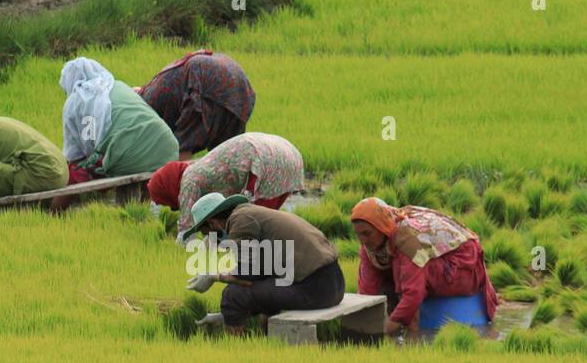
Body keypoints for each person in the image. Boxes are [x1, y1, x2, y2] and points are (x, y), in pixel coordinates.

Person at [181, 193, 344, 335]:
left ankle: (235, 357)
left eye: (206, 233)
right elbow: (261, 274)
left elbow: (248, 275)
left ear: (213, 223)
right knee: (263, 284)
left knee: (233, 295)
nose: (211, 240)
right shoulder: (250, 213)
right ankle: (266, 341)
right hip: (333, 283)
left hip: (315, 289)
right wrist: (225, 317)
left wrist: (213, 276)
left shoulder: (241, 221)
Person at [350, 197, 499, 337]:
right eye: (359, 234)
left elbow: (413, 293)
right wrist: (363, 326)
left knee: (401, 268)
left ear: (382, 227)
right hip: (421, 256)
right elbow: (366, 293)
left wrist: (388, 328)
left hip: (462, 260)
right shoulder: (369, 247)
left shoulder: (407, 240)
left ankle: (413, 333)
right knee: (394, 269)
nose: (363, 240)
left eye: (367, 233)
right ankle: (401, 320)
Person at [147, 132, 305, 240]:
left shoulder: (189, 181)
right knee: (266, 225)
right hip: (289, 155)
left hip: (263, 160)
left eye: (164, 201)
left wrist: (176, 253)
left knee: (250, 228)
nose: (170, 206)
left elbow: (185, 232)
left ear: (167, 189)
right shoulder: (203, 167)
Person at [60, 57, 179, 184]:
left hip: (129, 155)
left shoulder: (75, 101)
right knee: (127, 151)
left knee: (73, 172)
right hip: (169, 148)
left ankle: (54, 205)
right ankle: (139, 203)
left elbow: (75, 155)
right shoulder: (118, 85)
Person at [135, 50, 255, 160]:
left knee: (180, 152)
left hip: (203, 83)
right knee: (227, 157)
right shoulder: (154, 89)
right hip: (241, 87)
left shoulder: (142, 109)